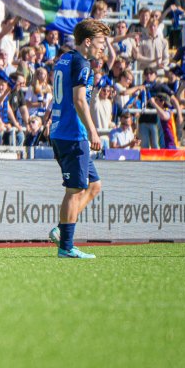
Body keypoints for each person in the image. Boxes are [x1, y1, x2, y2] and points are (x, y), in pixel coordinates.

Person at [47, 19, 111, 259]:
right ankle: (66, 246)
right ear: (87, 41)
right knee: (74, 191)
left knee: (94, 186)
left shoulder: (64, 59)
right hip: (73, 134)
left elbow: (59, 96)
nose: (102, 47)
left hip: (64, 132)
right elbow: (79, 100)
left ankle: (62, 230)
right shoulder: (82, 63)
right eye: (100, 42)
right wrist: (94, 131)